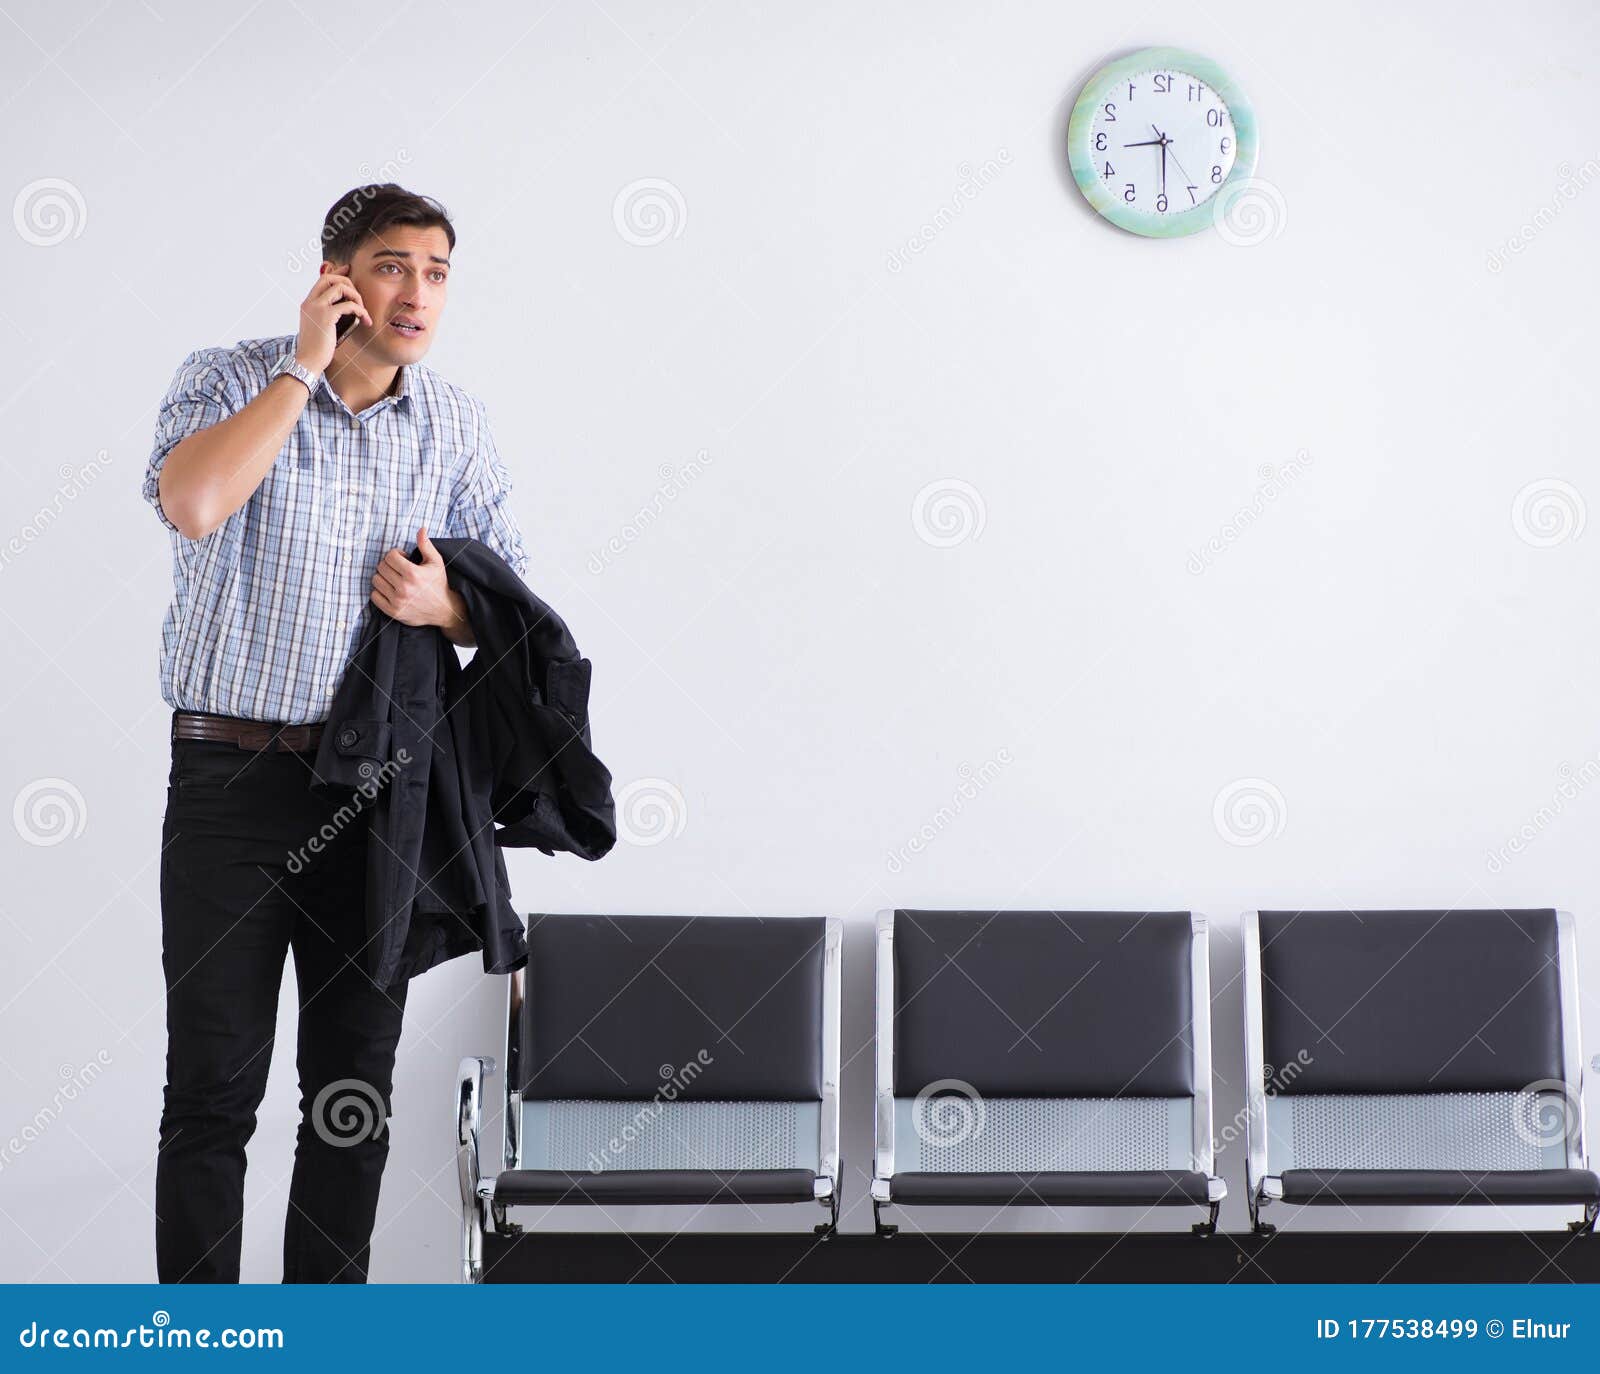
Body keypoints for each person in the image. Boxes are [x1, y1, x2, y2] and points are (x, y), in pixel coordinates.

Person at [141, 184, 528, 1283]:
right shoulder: (227, 376)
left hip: (376, 798)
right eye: (395, 265)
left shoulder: (453, 421)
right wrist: (302, 367)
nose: (417, 293)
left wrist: (441, 608)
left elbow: (510, 606)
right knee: (211, 1090)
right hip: (227, 782)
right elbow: (197, 503)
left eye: (438, 272)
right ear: (337, 276)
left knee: (349, 1092)